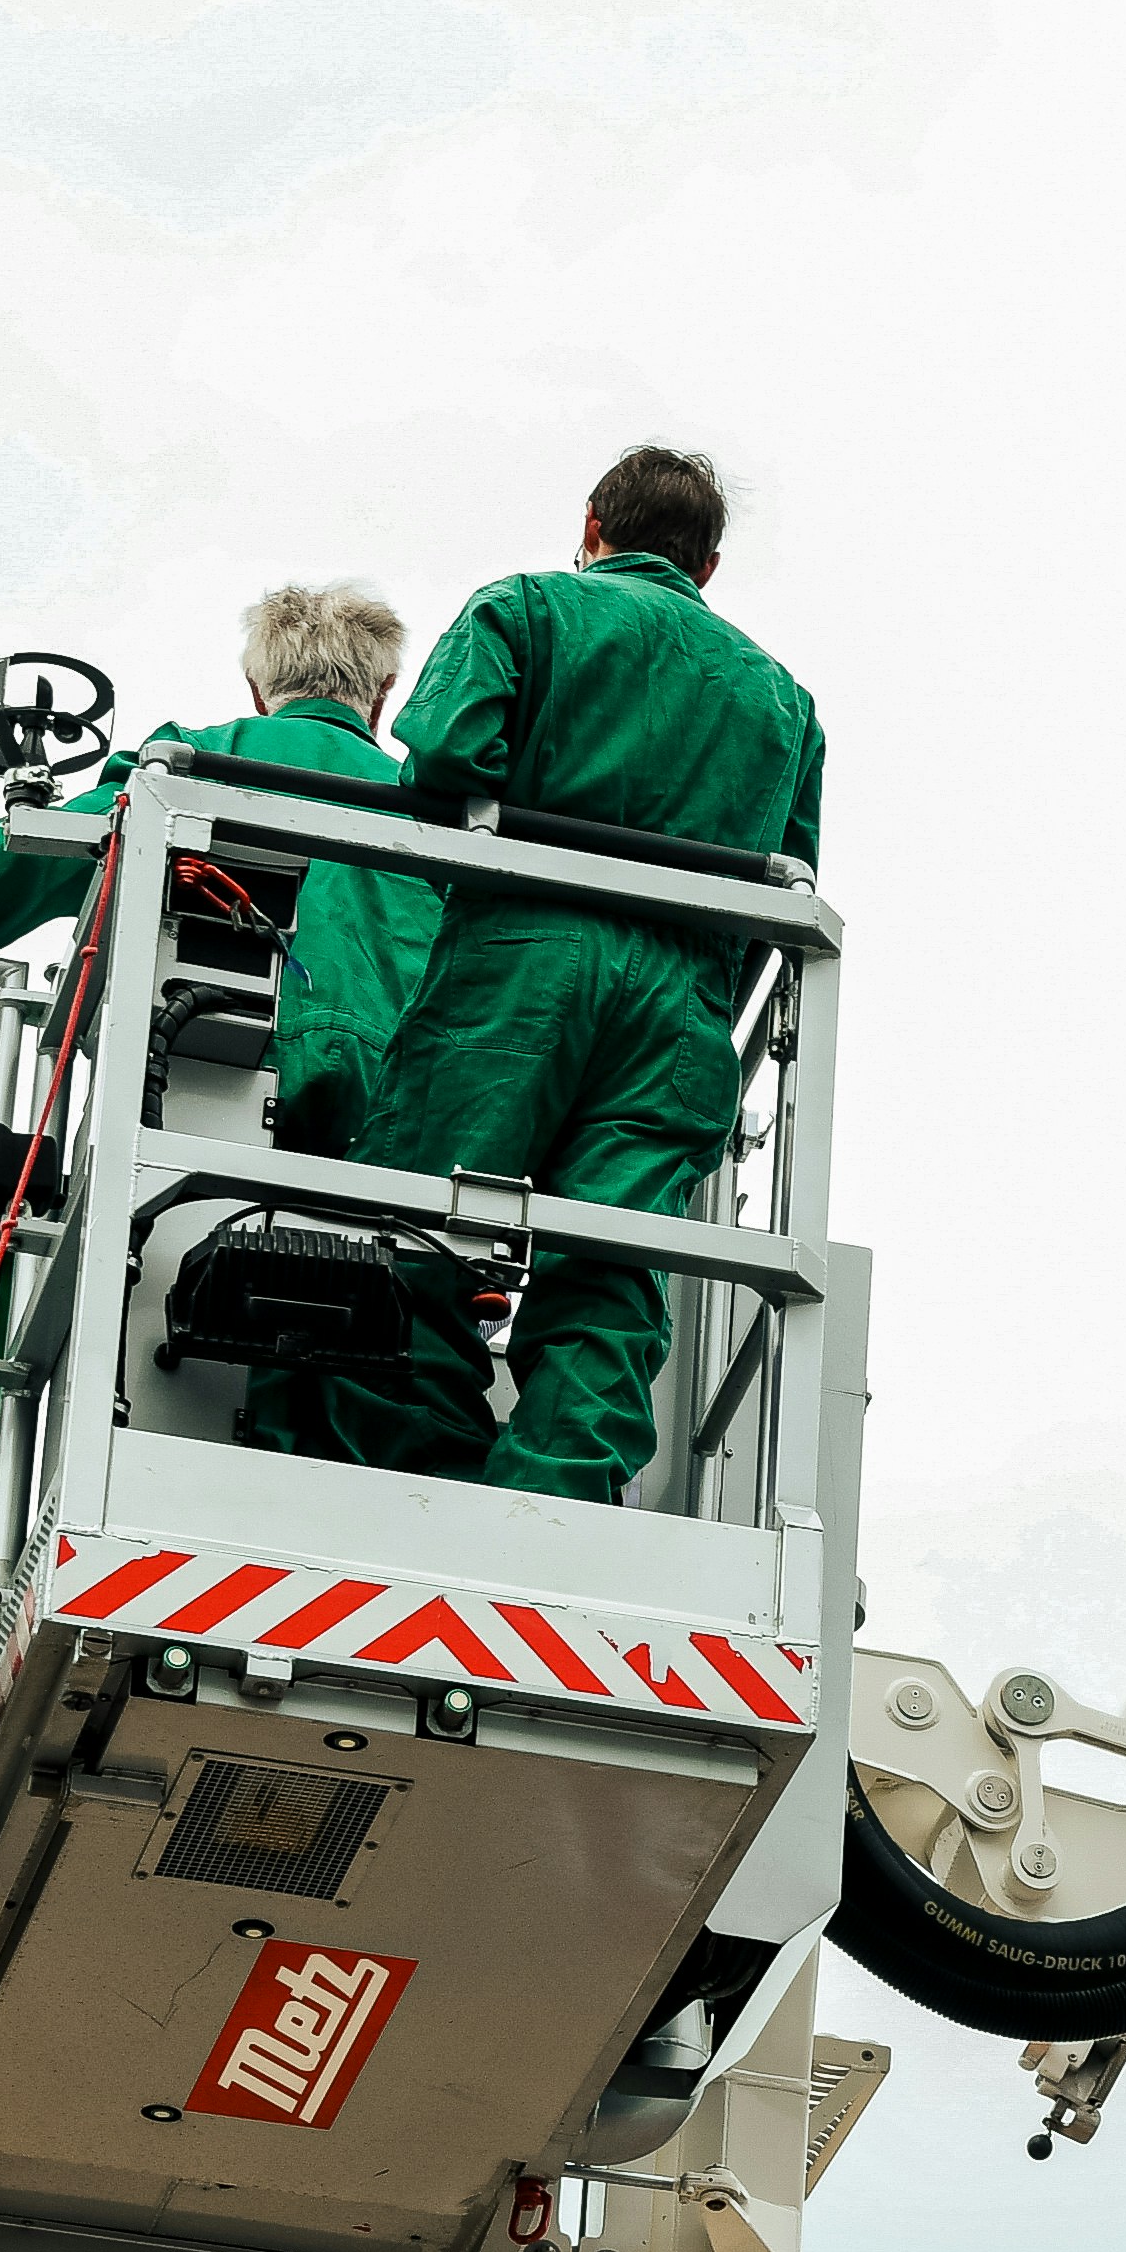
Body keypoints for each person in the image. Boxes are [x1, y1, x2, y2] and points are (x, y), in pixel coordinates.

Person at [313, 447, 828, 1498]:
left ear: (593, 522)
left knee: (422, 1215)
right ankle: (554, 1499)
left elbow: (448, 758)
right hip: (680, 1006)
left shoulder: (523, 609)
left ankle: (417, 1470)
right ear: (711, 562)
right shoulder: (784, 700)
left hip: (521, 961)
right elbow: (791, 878)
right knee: (612, 1264)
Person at [0, 580, 444, 1154]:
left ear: (259, 689)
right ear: (382, 694)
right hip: (406, 1096)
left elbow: (30, 853)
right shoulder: (442, 816)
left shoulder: (188, 765)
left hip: (216, 1079)